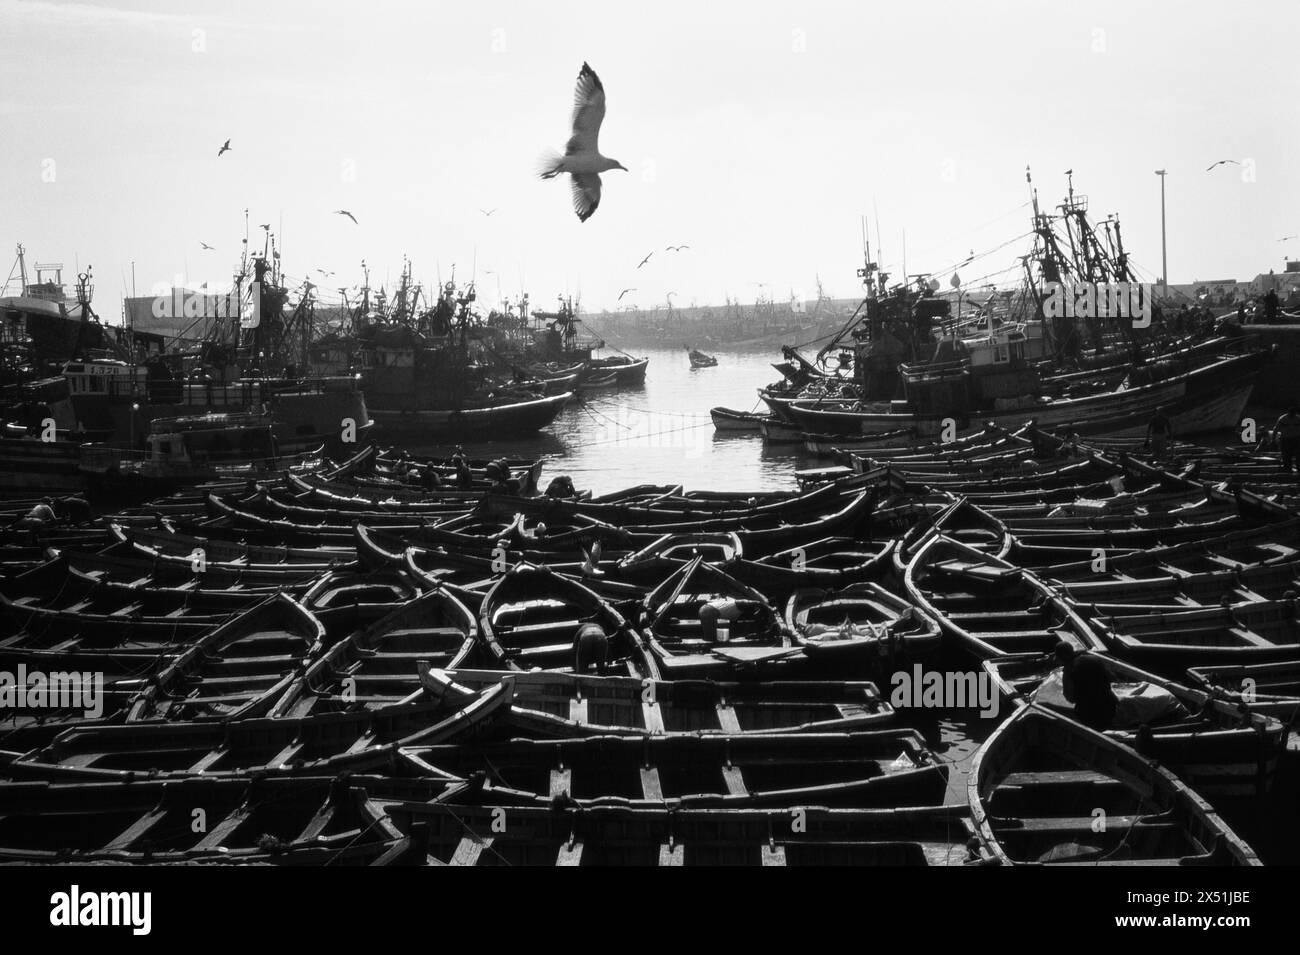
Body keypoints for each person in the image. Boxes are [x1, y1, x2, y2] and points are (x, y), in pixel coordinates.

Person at [1053, 642, 1117, 732]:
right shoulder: (1094, 658)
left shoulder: (1068, 670)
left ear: (1063, 657)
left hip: (1089, 716)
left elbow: (1070, 698)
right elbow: (1112, 677)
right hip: (1110, 709)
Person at [1272, 406, 1300, 475]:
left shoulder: (1298, 419)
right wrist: (1273, 439)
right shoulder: (1282, 419)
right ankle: (1287, 471)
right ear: (1288, 413)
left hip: (1296, 439)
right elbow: (1275, 429)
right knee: (1286, 455)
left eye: (1293, 414)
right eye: (1291, 414)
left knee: (1298, 455)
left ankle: (1299, 469)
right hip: (1285, 439)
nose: (1292, 415)